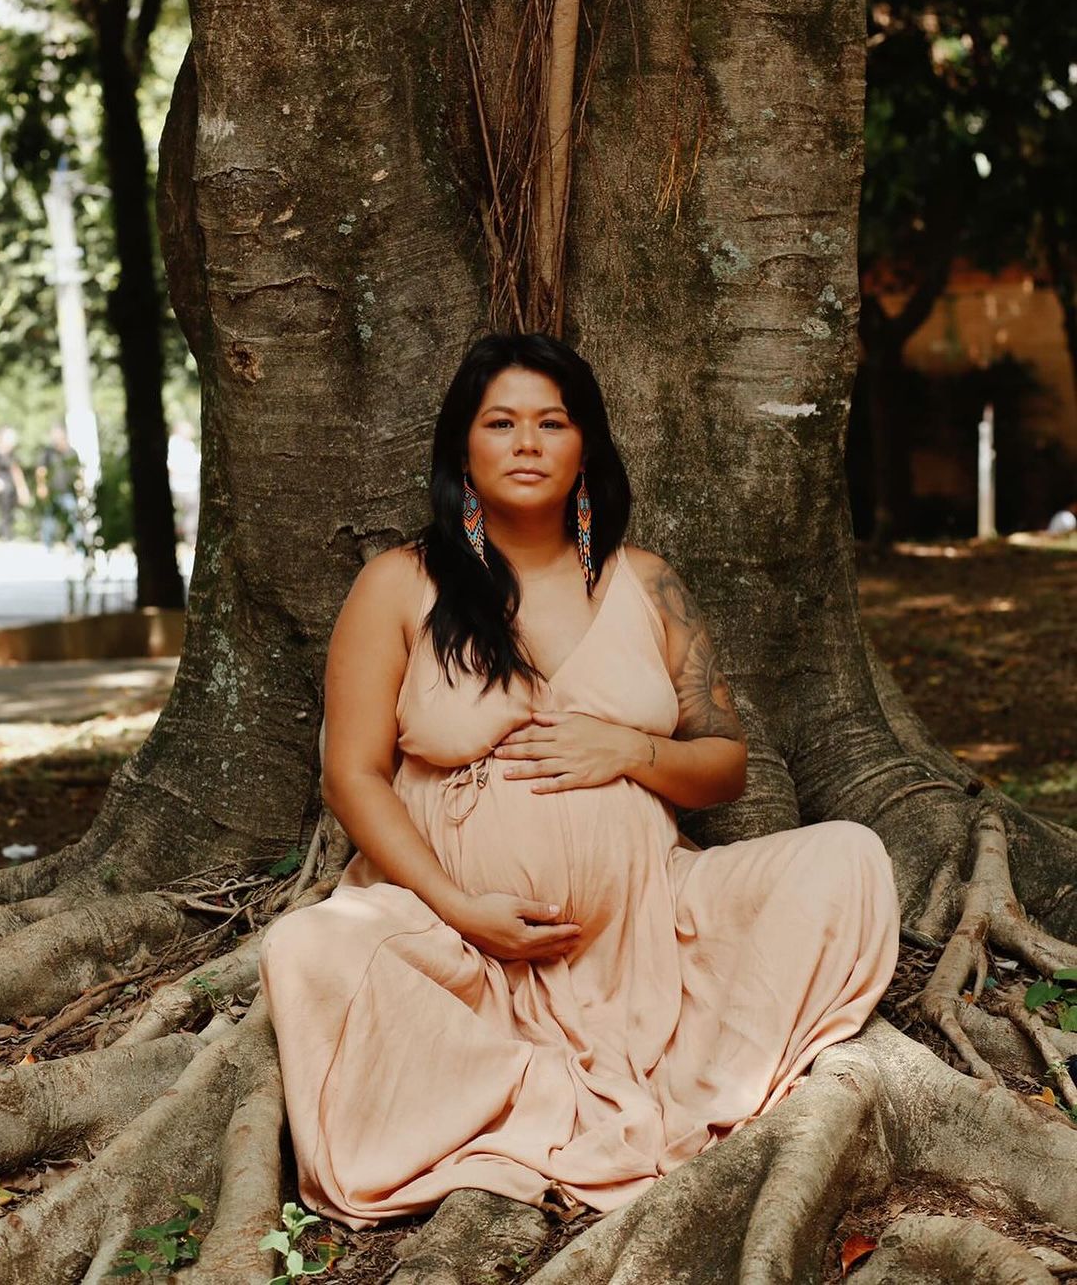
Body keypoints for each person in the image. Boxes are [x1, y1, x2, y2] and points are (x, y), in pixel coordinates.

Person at [258, 333, 900, 1231]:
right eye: (502, 422)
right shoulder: (400, 584)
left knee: (848, 859)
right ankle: (525, 1095)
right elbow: (353, 776)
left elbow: (725, 763)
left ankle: (676, 1082)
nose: (527, 443)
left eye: (552, 422)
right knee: (308, 951)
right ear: (463, 449)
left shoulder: (648, 583)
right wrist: (457, 903)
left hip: (647, 931)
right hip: (457, 940)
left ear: (585, 446)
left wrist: (628, 750)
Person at [34, 424, 83, 550]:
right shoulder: (48, 453)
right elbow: (41, 470)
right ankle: (48, 547)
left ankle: (74, 545)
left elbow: (78, 473)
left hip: (69, 493)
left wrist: (80, 490)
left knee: (74, 519)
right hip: (53, 493)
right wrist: (41, 486)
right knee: (49, 521)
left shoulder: (72, 453)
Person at [167, 419, 200, 547]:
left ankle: (189, 537)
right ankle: (188, 538)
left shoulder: (188, 444)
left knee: (191, 512)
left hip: (190, 485)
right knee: (188, 512)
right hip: (181, 485)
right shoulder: (175, 443)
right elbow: (172, 465)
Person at [0, 426, 32, 541]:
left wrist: (22, 489)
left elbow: (16, 472)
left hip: (8, 493)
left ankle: (6, 535)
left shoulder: (12, 456)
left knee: (8, 514)